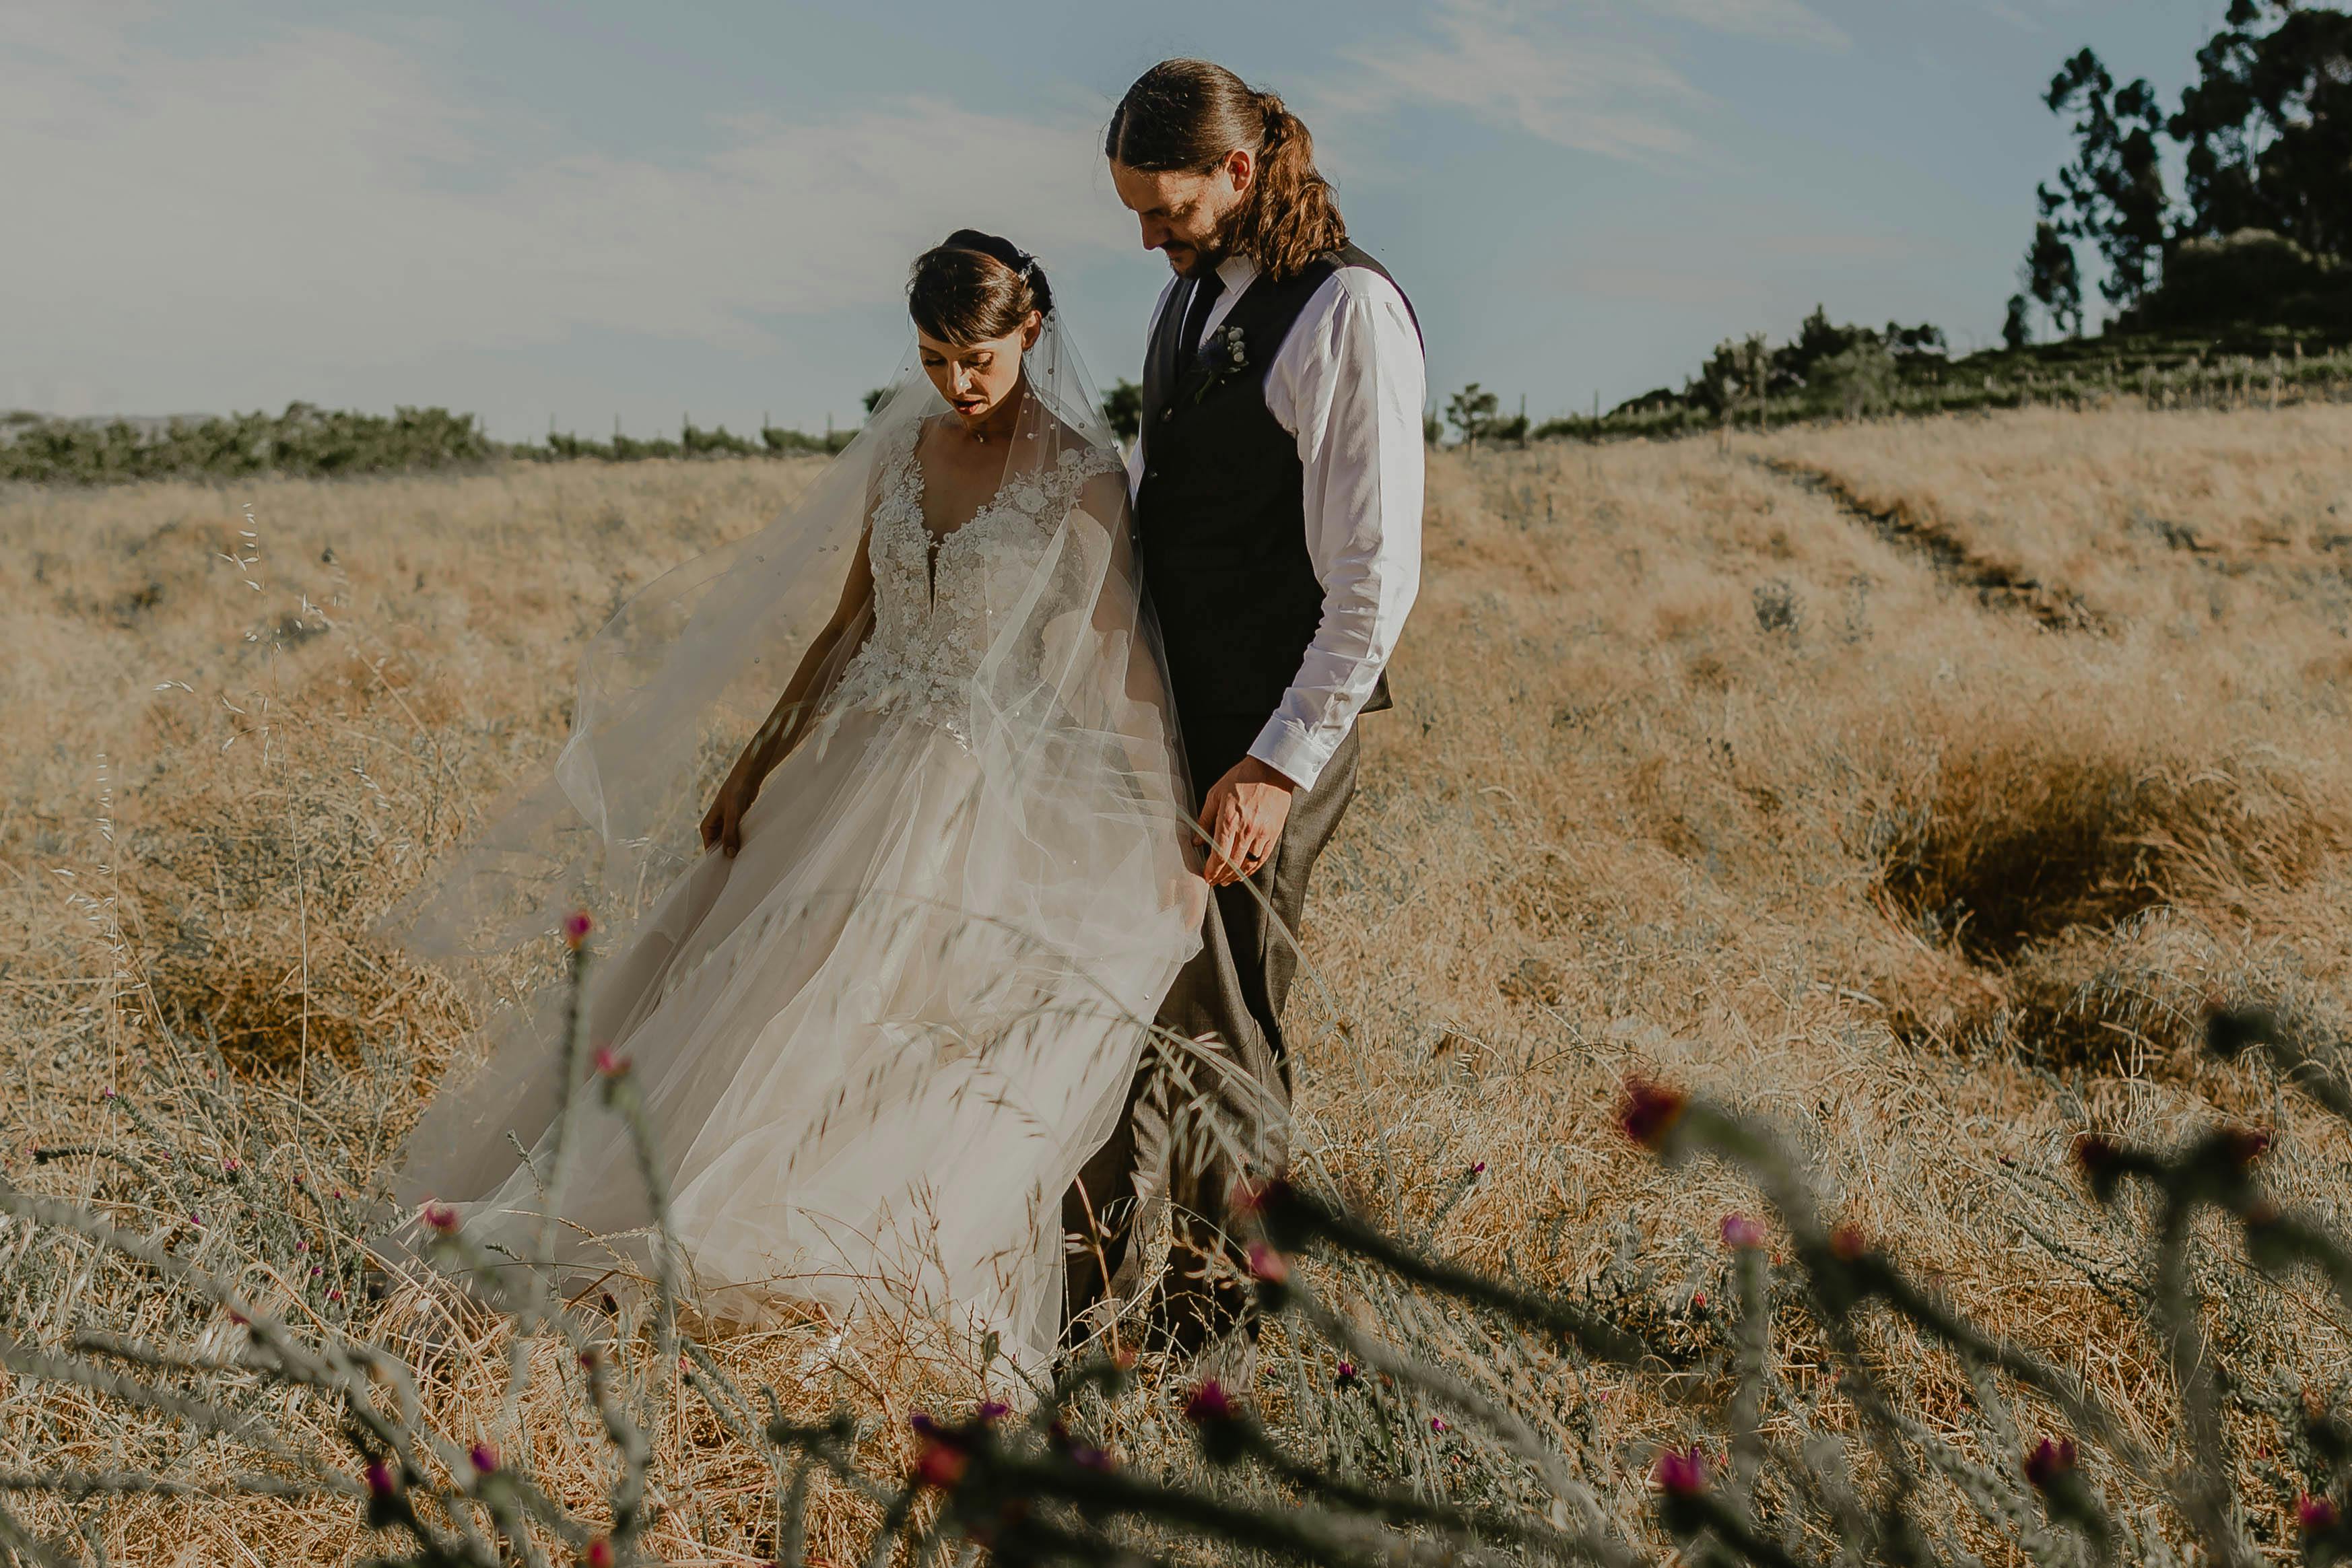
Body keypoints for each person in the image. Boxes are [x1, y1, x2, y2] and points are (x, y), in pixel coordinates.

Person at [376, 231, 1203, 1375]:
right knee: (736, 1000)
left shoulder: (1079, 476)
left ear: (1031, 335)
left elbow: (1120, 660)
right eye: (932, 359)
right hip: (846, 768)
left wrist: (1171, 826)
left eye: (977, 359)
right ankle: (634, 1235)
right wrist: (756, 759)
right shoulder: (904, 453)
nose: (956, 384)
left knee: (883, 1024)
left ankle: (821, 1269)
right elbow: (849, 622)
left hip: (965, 791)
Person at [1064, 60, 1427, 1355]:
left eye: (1164, 209)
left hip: (1271, 727)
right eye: (1132, 212)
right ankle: (1098, 1292)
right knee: (1145, 996)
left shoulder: (1345, 311)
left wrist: (1274, 765)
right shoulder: (1190, 305)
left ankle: (1217, 1333)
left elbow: (1375, 581)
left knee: (1226, 1015)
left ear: (1239, 169)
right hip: (1176, 711)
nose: (1145, 238)